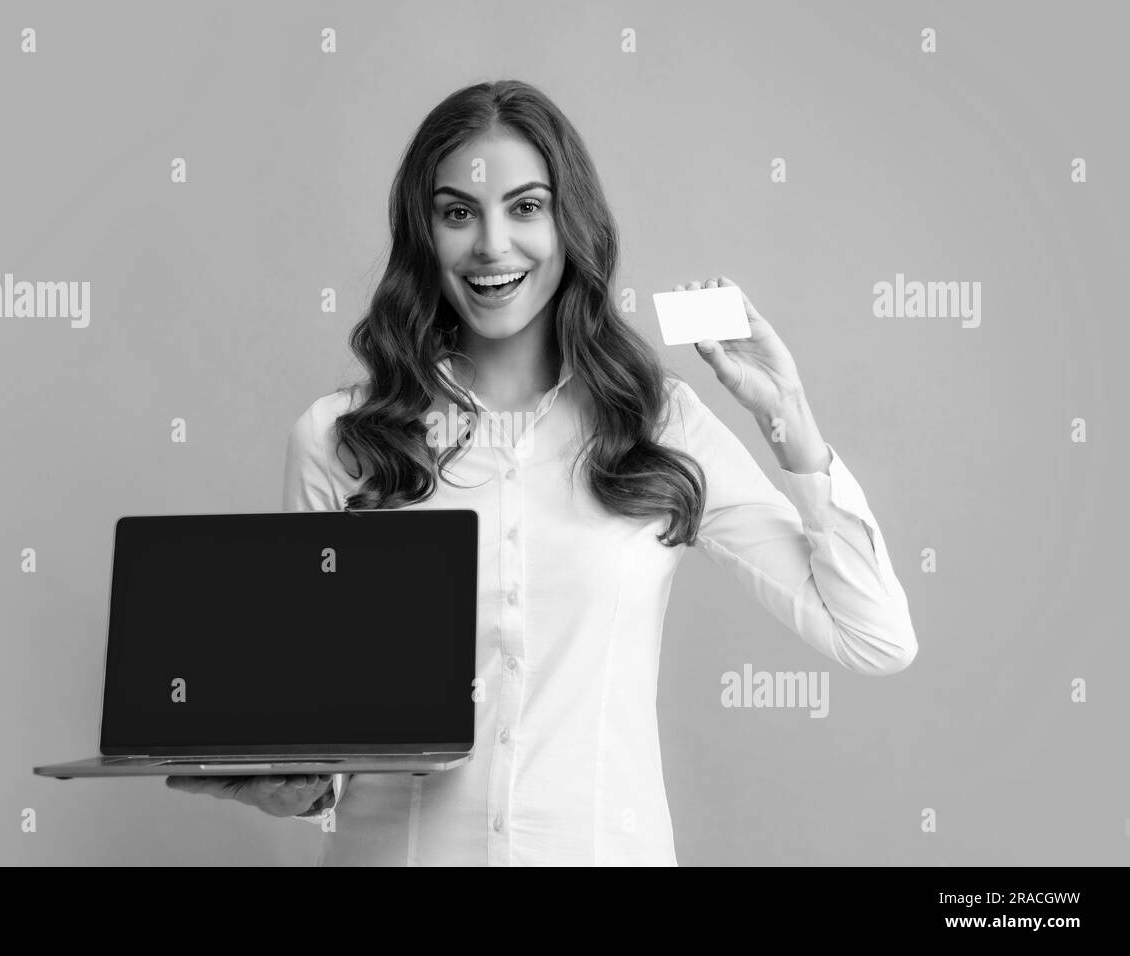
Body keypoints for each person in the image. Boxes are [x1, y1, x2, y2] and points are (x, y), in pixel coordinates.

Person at [167, 79, 917, 866]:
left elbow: (873, 635)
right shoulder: (338, 439)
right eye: (459, 212)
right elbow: (310, 717)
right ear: (424, 234)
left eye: (526, 207)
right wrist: (286, 780)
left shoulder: (658, 425)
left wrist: (787, 416)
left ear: (571, 224)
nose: (493, 246)